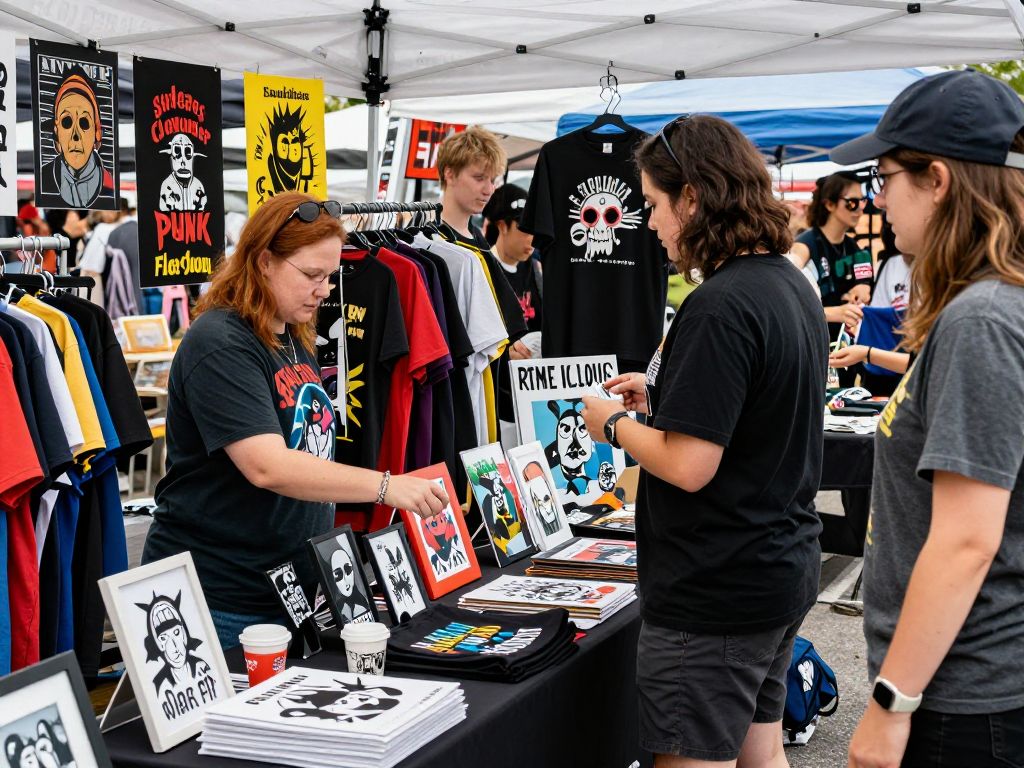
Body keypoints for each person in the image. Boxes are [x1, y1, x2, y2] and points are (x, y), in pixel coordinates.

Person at [581, 115, 828, 768]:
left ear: (692, 197)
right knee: (761, 753)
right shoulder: (785, 283)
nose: (652, 224)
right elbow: (753, 410)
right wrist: (663, 396)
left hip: (716, 593)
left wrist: (610, 424)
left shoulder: (720, 305)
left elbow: (690, 466)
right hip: (776, 569)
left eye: (655, 205)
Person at [142, 192, 448, 649]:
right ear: (264, 260)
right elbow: (269, 466)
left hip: (286, 590)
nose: (324, 289)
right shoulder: (221, 341)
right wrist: (386, 486)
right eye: (311, 275)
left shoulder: (288, 332)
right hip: (221, 595)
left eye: (329, 275)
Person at [831, 69, 1024, 768]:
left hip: (965, 701)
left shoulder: (985, 319)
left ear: (937, 180)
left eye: (885, 177)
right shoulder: (986, 308)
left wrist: (890, 705)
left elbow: (967, 540)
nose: (879, 197)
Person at [790, 173, 873, 388]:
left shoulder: (855, 248)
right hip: (812, 350)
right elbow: (784, 294)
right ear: (829, 204)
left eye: (862, 201)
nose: (860, 208)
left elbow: (865, 289)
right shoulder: (806, 245)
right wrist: (834, 312)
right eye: (852, 202)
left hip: (846, 353)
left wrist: (861, 291)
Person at [436, 126, 506, 251]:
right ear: (450, 174)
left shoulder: (481, 243)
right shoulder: (423, 238)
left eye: (492, 180)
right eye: (479, 178)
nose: (488, 190)